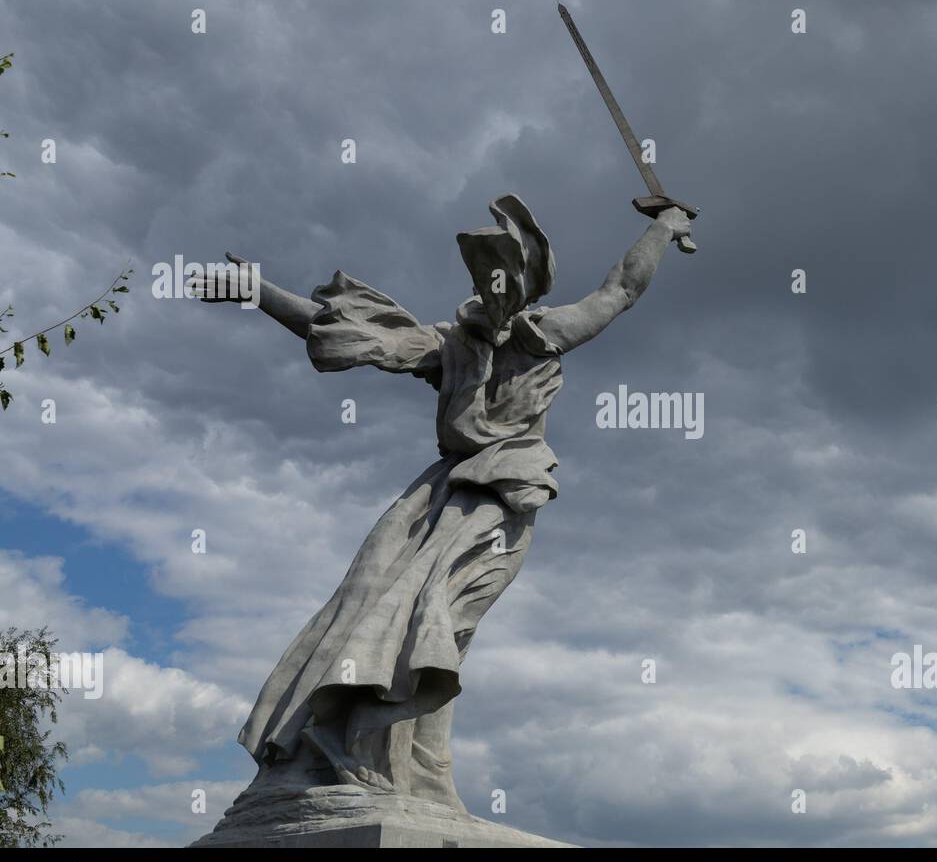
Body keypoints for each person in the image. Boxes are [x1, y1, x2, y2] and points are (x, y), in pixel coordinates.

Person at [192, 195, 691, 811]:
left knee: (437, 617)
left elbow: (621, 287)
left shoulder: (546, 335)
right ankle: (342, 753)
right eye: (485, 272)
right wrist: (258, 291)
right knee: (369, 598)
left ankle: (400, 765)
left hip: (501, 497)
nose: (494, 283)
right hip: (439, 492)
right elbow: (347, 333)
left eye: (506, 271)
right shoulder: (448, 343)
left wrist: (664, 228)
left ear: (528, 284)